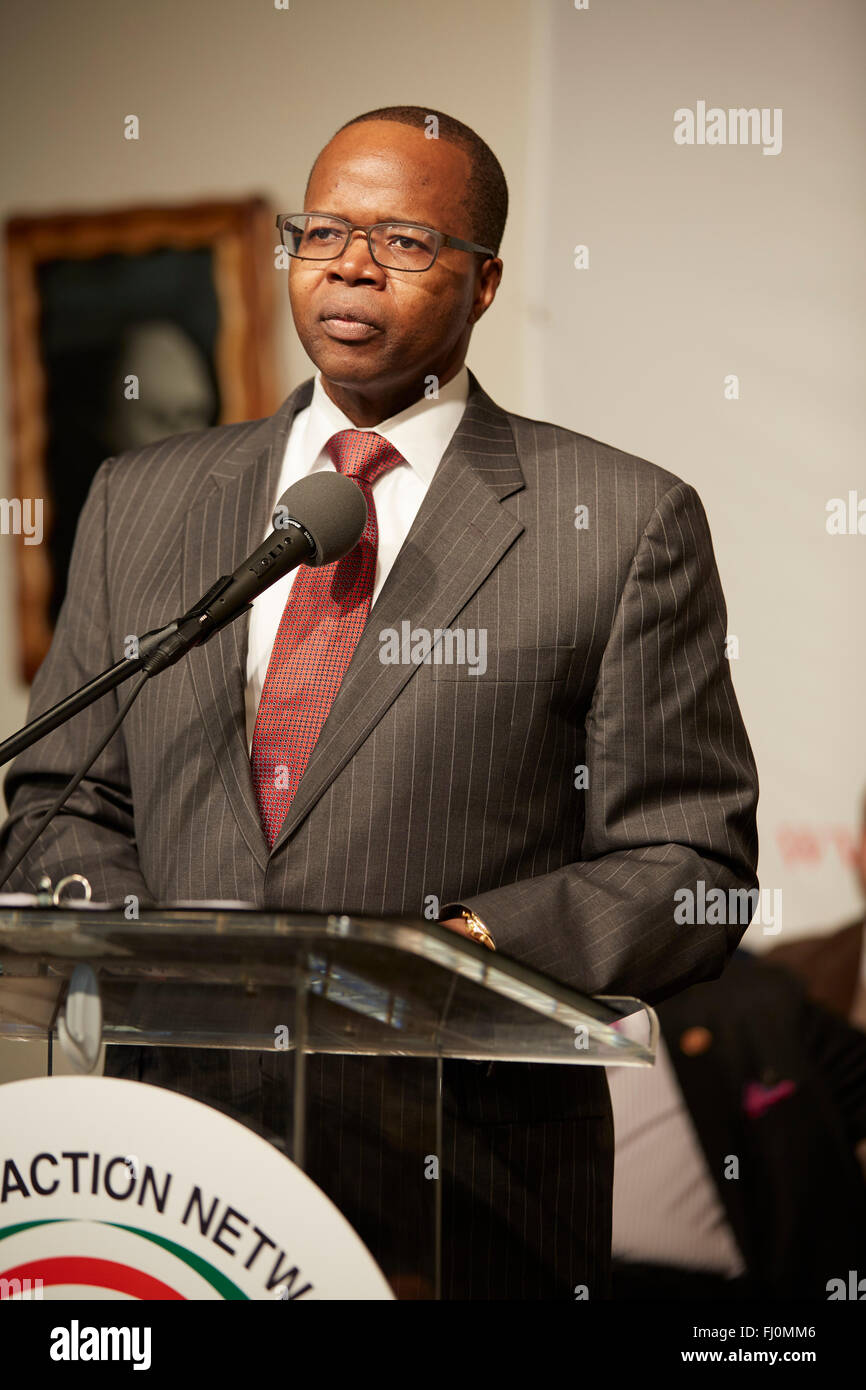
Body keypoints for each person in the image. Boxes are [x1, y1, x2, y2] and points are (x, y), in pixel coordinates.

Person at [0, 105, 759, 1300]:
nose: (350, 265)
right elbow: (60, 799)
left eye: (403, 240)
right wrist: (171, 954)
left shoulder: (614, 523)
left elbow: (687, 859)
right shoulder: (143, 499)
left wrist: (458, 954)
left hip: (460, 1183)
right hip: (166, 1175)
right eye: (322, 232)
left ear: (485, 280)